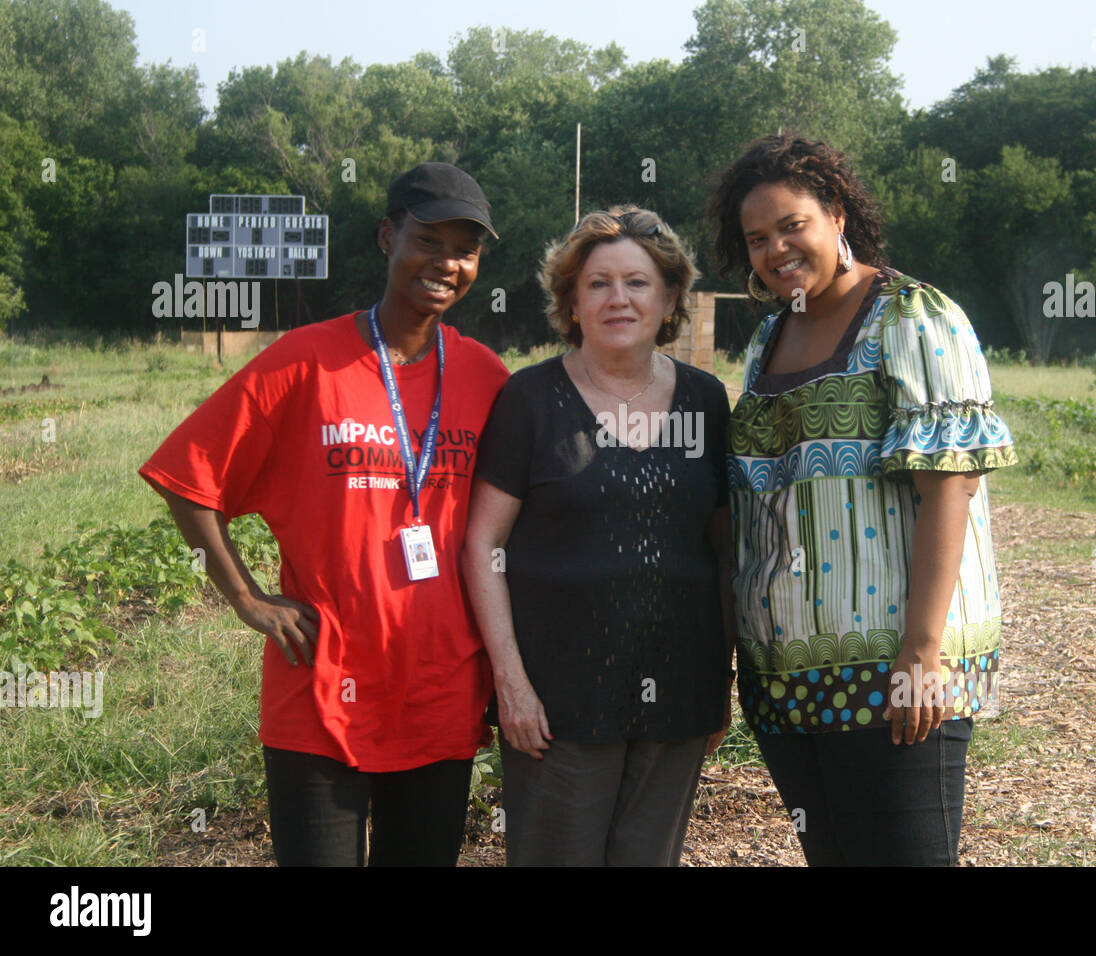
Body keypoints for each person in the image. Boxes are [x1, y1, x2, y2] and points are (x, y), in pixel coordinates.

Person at [139, 162, 510, 866]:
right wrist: (246, 598)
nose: (447, 263)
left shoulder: (487, 378)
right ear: (387, 237)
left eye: (466, 249)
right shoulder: (305, 362)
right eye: (429, 239)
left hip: (439, 691)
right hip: (318, 686)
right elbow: (186, 476)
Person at [707, 133, 1019, 866]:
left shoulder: (912, 317)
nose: (776, 250)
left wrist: (922, 652)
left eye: (793, 226)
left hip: (893, 677)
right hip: (787, 680)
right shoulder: (766, 342)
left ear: (837, 214)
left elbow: (950, 485)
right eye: (757, 239)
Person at [462, 206, 734, 866]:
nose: (619, 299)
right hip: (558, 701)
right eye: (598, 283)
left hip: (678, 692)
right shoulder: (531, 399)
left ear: (669, 296)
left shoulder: (704, 400)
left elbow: (723, 547)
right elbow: (482, 546)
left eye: (637, 283)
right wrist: (511, 684)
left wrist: (720, 677)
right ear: (571, 300)